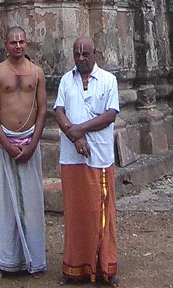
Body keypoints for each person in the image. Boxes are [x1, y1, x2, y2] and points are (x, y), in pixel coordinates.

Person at [53, 37, 120, 286]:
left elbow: (110, 115)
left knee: (101, 211)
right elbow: (59, 111)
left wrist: (78, 130)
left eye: (86, 54)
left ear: (96, 54)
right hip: (72, 158)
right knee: (75, 212)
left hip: (99, 157)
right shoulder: (65, 80)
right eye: (77, 54)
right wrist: (74, 137)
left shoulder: (108, 80)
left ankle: (106, 268)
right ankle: (74, 268)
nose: (81, 58)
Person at [0, 25, 47, 281]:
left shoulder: (37, 72)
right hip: (6, 142)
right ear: (5, 45)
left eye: (22, 41)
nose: (18, 46)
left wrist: (32, 144)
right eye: (13, 42)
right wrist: (8, 144)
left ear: (27, 42)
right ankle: (1, 260)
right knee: (4, 203)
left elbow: (43, 110)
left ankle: (33, 260)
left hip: (30, 141)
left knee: (32, 203)